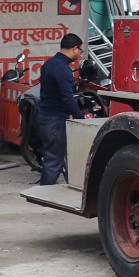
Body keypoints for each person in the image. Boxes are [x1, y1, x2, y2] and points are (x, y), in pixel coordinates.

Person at [38, 33, 85, 185]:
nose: (79, 54)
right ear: (75, 48)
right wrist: (81, 118)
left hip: (45, 116)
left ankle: (46, 189)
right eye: (80, 50)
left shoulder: (49, 64)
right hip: (55, 120)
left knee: (51, 157)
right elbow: (67, 98)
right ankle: (46, 192)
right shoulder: (63, 69)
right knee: (53, 160)